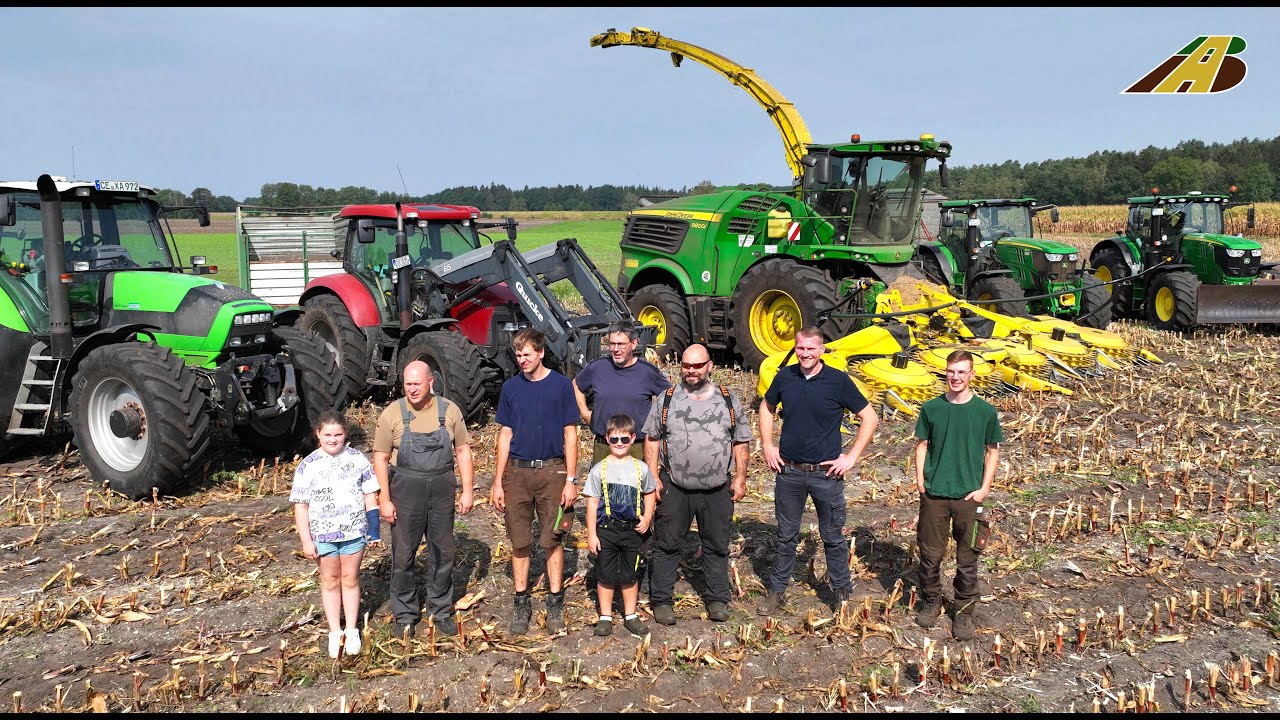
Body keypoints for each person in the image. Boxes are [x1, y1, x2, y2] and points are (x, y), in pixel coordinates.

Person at [757, 327, 879, 614]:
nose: (805, 353)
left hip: (827, 474)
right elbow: (766, 407)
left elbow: (869, 417)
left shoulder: (837, 381)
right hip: (790, 471)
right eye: (801, 348)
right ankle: (777, 591)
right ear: (795, 348)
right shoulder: (785, 376)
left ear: (822, 349)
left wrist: (851, 457)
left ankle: (841, 592)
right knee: (786, 535)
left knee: (833, 537)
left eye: (811, 348)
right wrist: (767, 445)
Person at [643, 343, 751, 625]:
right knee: (667, 545)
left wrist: (740, 477)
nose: (691, 371)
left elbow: (740, 440)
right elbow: (652, 438)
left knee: (716, 545)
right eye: (686, 366)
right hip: (675, 486)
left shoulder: (728, 400)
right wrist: (653, 477)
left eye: (697, 366)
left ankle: (717, 599)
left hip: (717, 488)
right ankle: (662, 600)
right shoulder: (666, 399)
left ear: (709, 366)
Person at [372, 360, 475, 639]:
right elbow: (380, 458)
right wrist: (385, 498)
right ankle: (405, 614)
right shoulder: (393, 414)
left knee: (443, 552)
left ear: (431, 382)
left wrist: (467, 489)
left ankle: (440, 610)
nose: (412, 389)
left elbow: (463, 451)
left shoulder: (449, 410)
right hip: (406, 490)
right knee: (403, 555)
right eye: (407, 383)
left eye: (417, 383)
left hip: (442, 489)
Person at [492, 328, 580, 635]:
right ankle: (521, 601)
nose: (522, 360)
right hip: (517, 473)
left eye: (527, 354)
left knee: (552, 539)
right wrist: (497, 480)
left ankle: (555, 601)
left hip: (552, 472)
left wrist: (571, 478)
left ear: (541, 352)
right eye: (517, 355)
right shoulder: (511, 388)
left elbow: (571, 434)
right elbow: (505, 435)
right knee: (519, 541)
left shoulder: (560, 386)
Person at [913, 349, 1002, 641]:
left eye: (962, 372)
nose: (956, 377)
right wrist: (921, 482)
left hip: (968, 497)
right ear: (946, 372)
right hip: (935, 494)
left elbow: (992, 452)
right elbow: (922, 446)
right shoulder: (931, 409)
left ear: (972, 374)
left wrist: (984, 488)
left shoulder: (985, 412)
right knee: (930, 555)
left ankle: (963, 613)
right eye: (952, 371)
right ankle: (932, 601)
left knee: (968, 558)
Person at [290, 411, 380, 658]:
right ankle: (334, 631)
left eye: (338, 434)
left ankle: (351, 630)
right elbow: (301, 506)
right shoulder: (307, 466)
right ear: (318, 434)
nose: (333, 439)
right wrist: (306, 540)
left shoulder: (358, 460)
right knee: (330, 582)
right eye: (327, 434)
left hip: (354, 533)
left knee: (350, 579)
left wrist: (374, 531)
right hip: (323, 536)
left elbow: (370, 496)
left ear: (345, 434)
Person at [584, 413, 657, 638]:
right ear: (607, 439)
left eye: (624, 440)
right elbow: (592, 502)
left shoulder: (641, 468)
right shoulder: (599, 470)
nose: (619, 444)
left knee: (629, 574)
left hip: (632, 530)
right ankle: (605, 617)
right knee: (604, 574)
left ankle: (630, 615)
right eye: (614, 439)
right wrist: (591, 534)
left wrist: (647, 518)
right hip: (607, 529)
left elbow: (650, 493)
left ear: (633, 438)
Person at [573, 321, 670, 465]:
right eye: (612, 344)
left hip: (636, 448)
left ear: (634, 343)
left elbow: (669, 397)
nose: (615, 349)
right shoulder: (598, 367)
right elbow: (576, 384)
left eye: (621, 344)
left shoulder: (647, 372)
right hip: (603, 446)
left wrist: (657, 426)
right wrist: (584, 411)